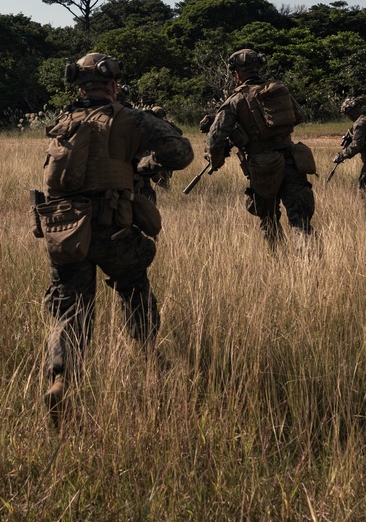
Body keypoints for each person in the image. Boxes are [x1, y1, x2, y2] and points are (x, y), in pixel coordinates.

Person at [35, 53, 193, 427]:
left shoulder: (63, 122)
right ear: (112, 84)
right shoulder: (130, 118)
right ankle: (151, 361)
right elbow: (182, 153)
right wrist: (144, 164)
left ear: (79, 87)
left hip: (66, 230)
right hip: (113, 226)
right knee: (134, 288)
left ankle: (60, 379)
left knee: (70, 308)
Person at [204, 49, 316, 248]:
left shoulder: (235, 100)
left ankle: (278, 260)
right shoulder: (278, 89)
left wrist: (215, 160)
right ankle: (310, 261)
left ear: (236, 73)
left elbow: (215, 139)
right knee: (300, 221)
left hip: (263, 167)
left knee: (269, 219)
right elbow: (298, 115)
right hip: (292, 160)